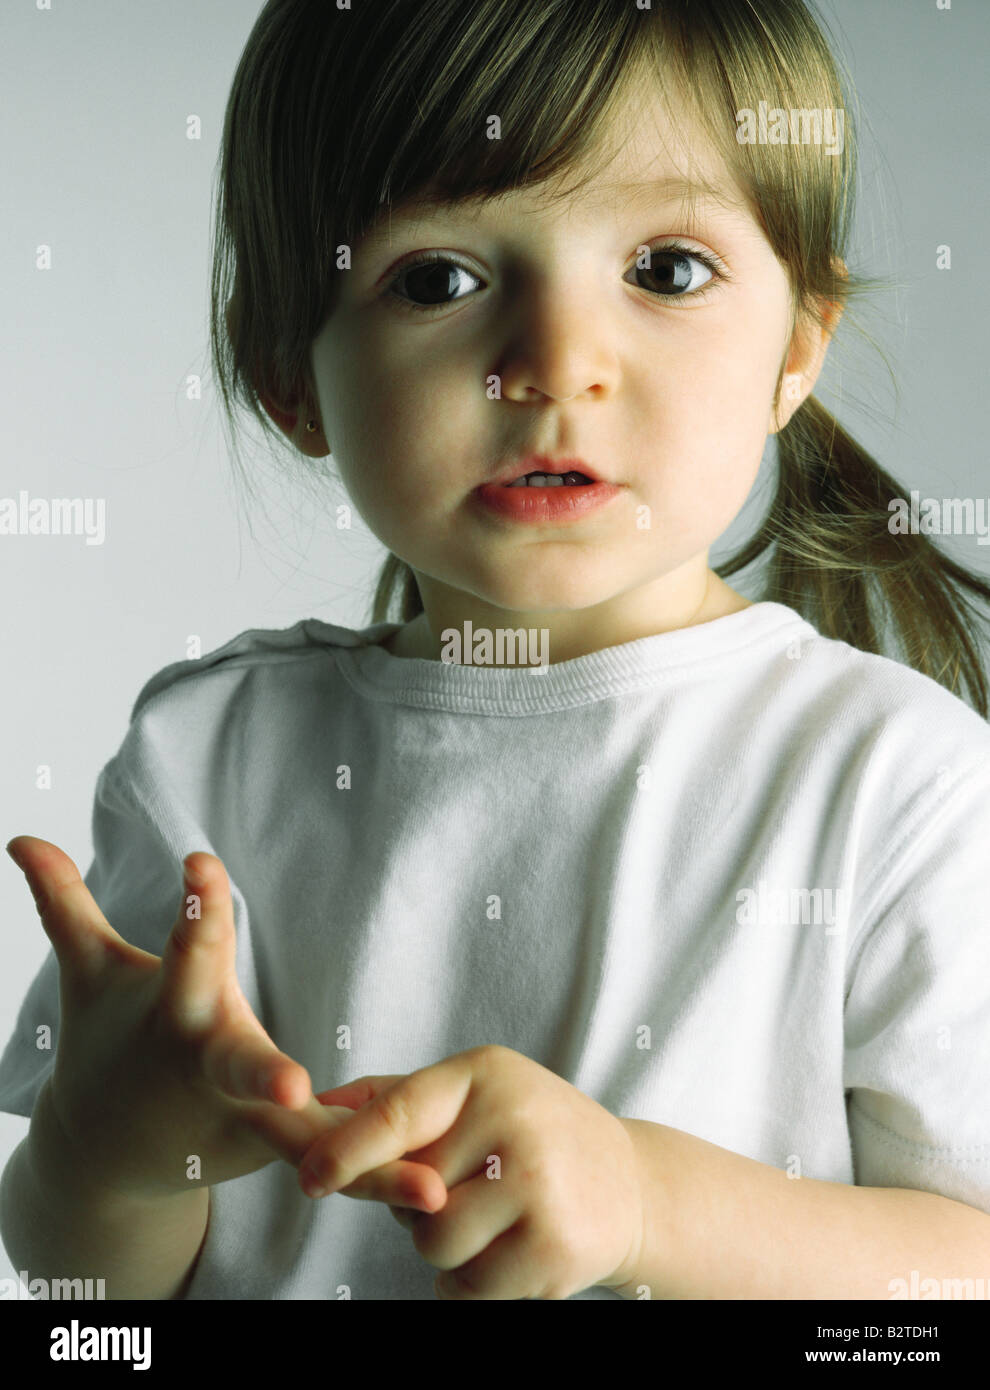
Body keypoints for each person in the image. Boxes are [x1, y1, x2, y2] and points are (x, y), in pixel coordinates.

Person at [3, 0, 990, 1302]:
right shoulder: (209, 757)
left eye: (666, 269)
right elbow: (89, 1291)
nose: (555, 362)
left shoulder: (891, 781)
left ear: (794, 347)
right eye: (439, 279)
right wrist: (110, 1151)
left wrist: (646, 1201)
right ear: (284, 370)